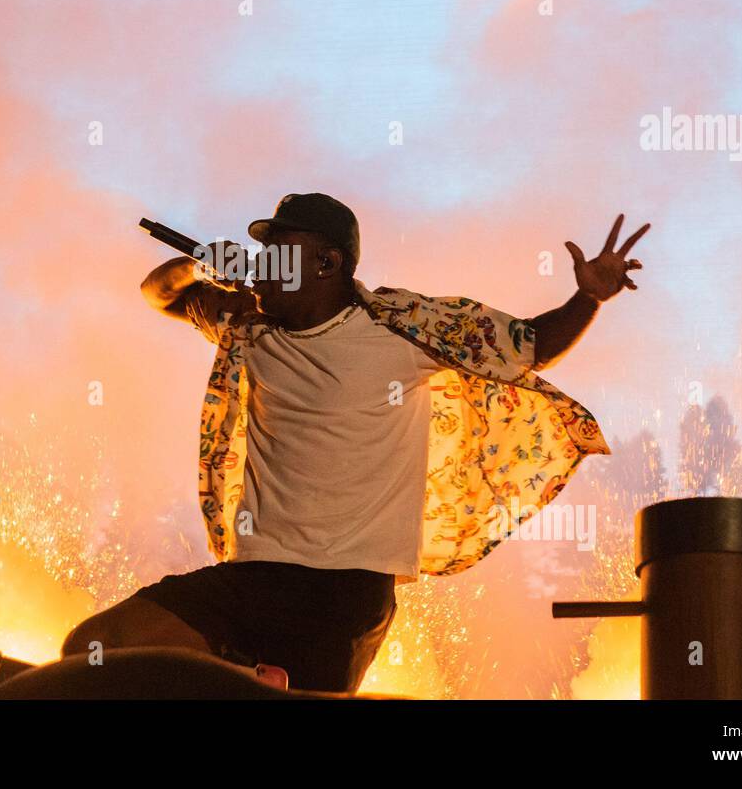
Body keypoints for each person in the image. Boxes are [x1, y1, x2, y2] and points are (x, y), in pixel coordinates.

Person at [61, 193, 649, 694]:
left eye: (280, 253)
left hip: (346, 597)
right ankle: (247, 674)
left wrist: (589, 298)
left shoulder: (402, 330)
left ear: (326, 262)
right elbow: (158, 293)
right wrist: (199, 264)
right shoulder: (248, 324)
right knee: (90, 650)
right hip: (253, 578)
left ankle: (253, 677)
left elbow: (532, 345)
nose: (264, 267)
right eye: (262, 255)